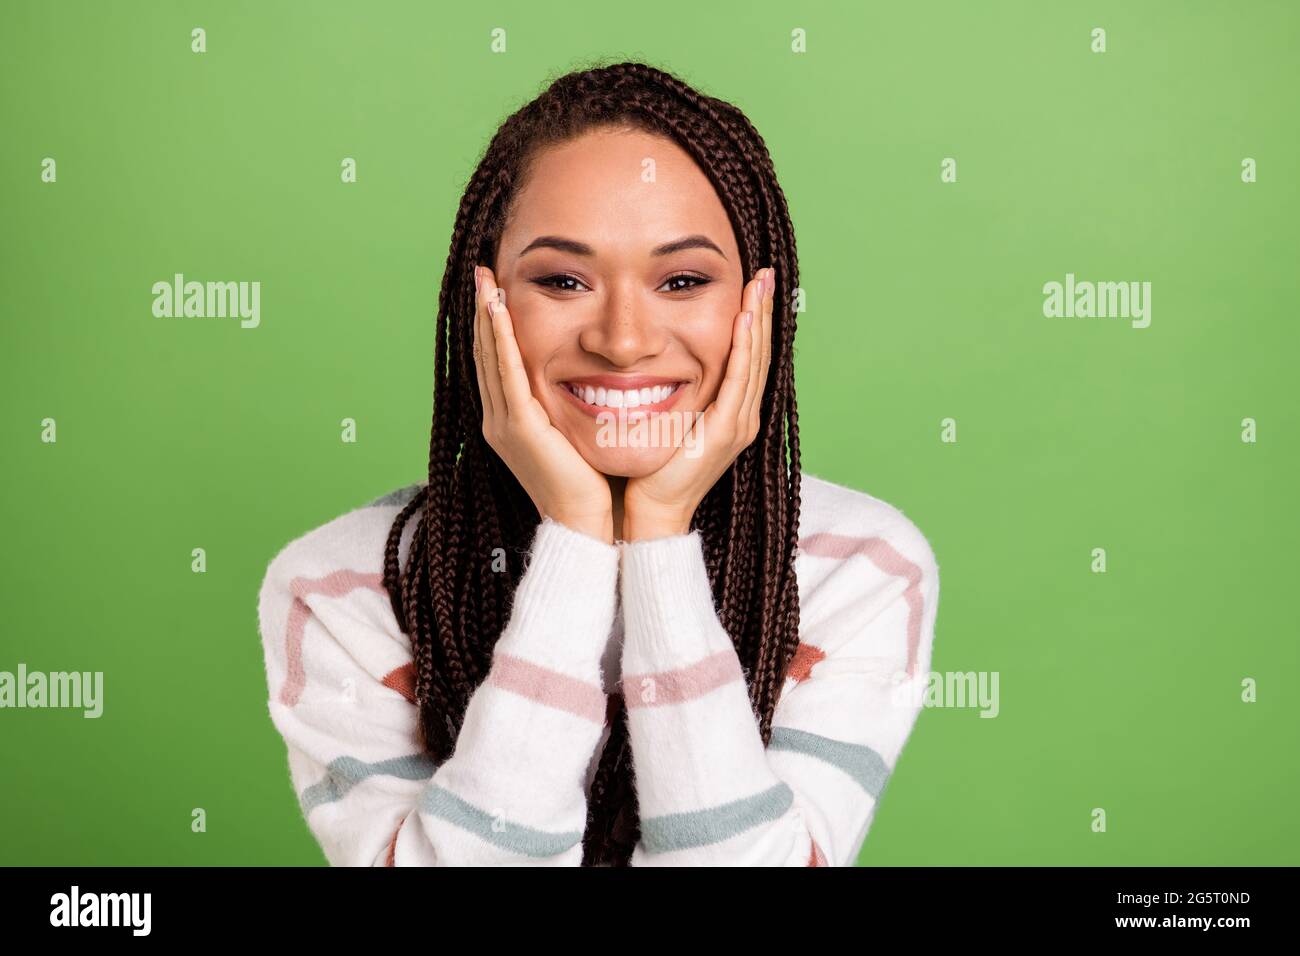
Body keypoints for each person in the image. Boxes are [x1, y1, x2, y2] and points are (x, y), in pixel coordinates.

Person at [256, 60, 940, 866]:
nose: (621, 340)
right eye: (563, 280)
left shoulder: (861, 570)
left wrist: (657, 539)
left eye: (682, 280)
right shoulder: (339, 590)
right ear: (485, 303)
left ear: (759, 306)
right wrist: (576, 543)